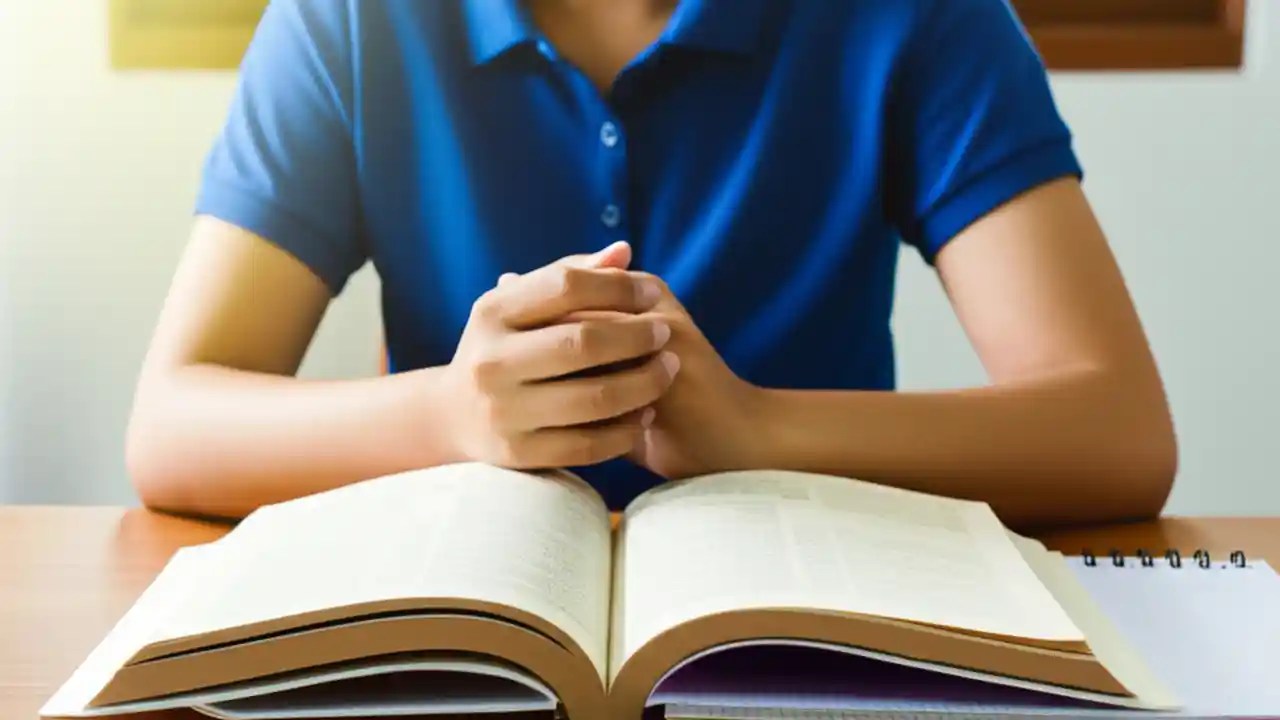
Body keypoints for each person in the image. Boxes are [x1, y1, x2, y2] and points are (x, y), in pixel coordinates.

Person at [125, 0, 1176, 528]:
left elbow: (1115, 428)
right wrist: (450, 415)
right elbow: (172, 426)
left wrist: (757, 431)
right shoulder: (350, 20)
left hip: (813, 627)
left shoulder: (918, 17)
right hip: (468, 629)